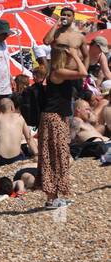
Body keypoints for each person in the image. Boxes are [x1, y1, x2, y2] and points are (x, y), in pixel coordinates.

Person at [37, 43, 84, 209]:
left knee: (57, 155)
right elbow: (83, 72)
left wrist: (74, 54)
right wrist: (75, 55)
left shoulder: (57, 71)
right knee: (55, 155)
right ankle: (52, 198)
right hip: (53, 118)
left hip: (57, 118)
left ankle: (54, 197)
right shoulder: (57, 72)